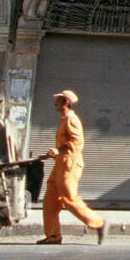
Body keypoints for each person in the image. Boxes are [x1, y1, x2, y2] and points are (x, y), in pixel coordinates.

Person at [38, 90, 106, 245]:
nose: (55, 103)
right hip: (61, 162)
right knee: (50, 200)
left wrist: (58, 150)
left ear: (65, 103)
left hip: (70, 163)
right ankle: (53, 235)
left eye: (58, 101)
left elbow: (77, 142)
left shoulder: (71, 119)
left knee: (69, 198)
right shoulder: (64, 119)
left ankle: (98, 223)